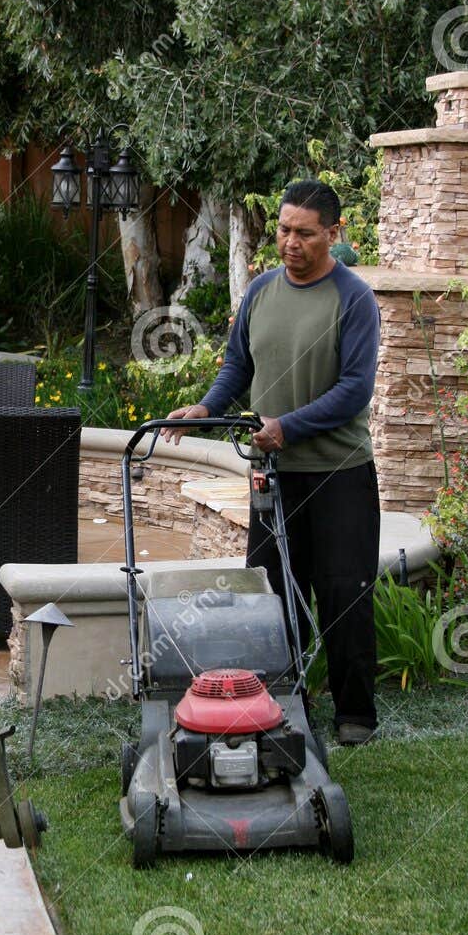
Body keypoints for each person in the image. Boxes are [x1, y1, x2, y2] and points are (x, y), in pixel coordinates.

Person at [167, 179, 381, 745]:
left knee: (343, 593)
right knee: (271, 596)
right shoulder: (260, 291)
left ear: (333, 234)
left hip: (339, 474)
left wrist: (288, 426)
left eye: (305, 233)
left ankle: (355, 715)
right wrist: (208, 405)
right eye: (284, 229)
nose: (290, 241)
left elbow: (356, 390)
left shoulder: (354, 299)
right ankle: (283, 704)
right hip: (274, 479)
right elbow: (239, 365)